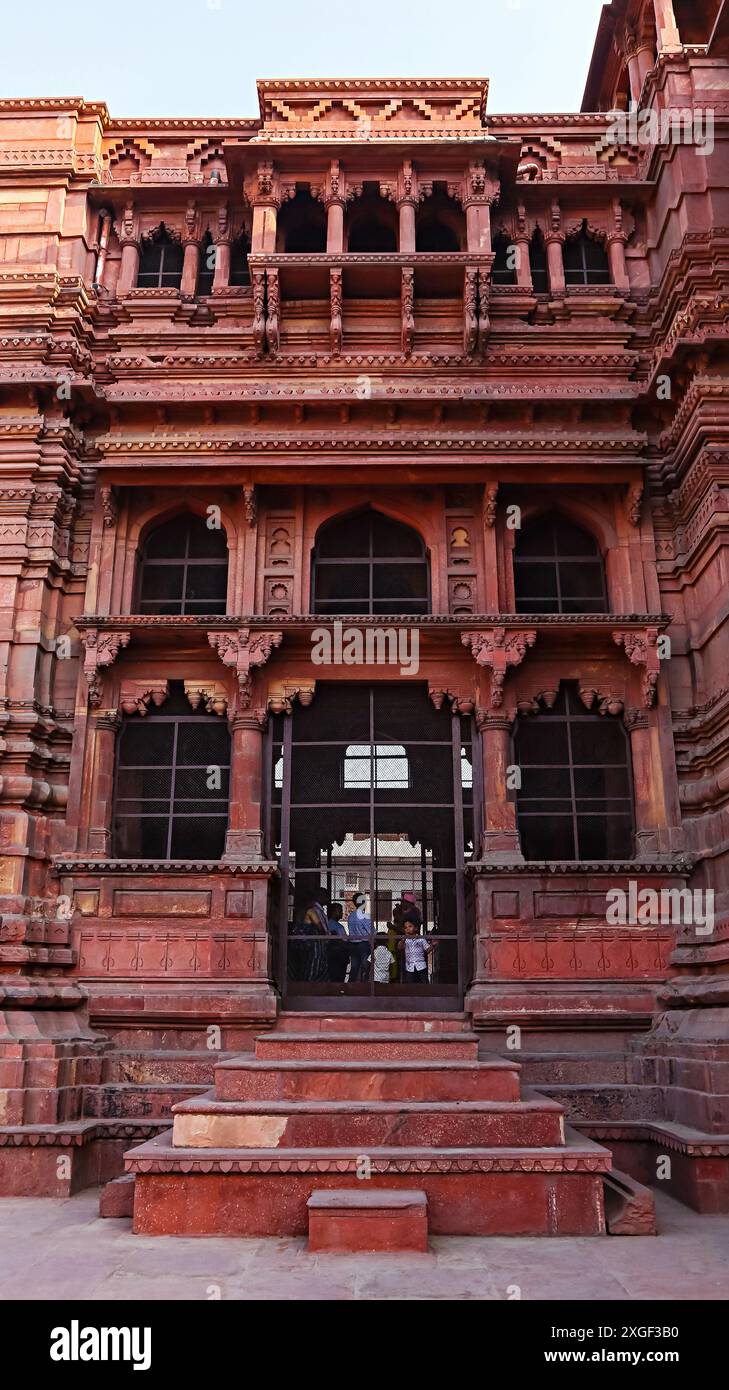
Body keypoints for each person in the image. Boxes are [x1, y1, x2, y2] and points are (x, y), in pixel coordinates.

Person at [398, 917, 432, 984]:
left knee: (424, 984)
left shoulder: (421, 939)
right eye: (405, 927)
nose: (407, 929)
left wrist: (432, 945)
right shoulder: (405, 940)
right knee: (410, 986)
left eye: (410, 926)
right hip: (409, 967)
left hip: (421, 966)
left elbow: (427, 950)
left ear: (416, 928)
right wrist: (403, 939)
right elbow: (400, 947)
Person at [347, 891, 372, 982]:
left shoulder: (351, 916)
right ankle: (364, 986)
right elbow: (370, 931)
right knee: (365, 966)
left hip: (353, 943)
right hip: (363, 943)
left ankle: (351, 985)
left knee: (354, 967)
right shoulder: (364, 916)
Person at [326, 902, 349, 984]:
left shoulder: (327, 924)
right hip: (339, 955)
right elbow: (344, 941)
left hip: (331, 955)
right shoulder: (337, 926)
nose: (342, 913)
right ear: (333, 912)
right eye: (340, 911)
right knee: (339, 977)